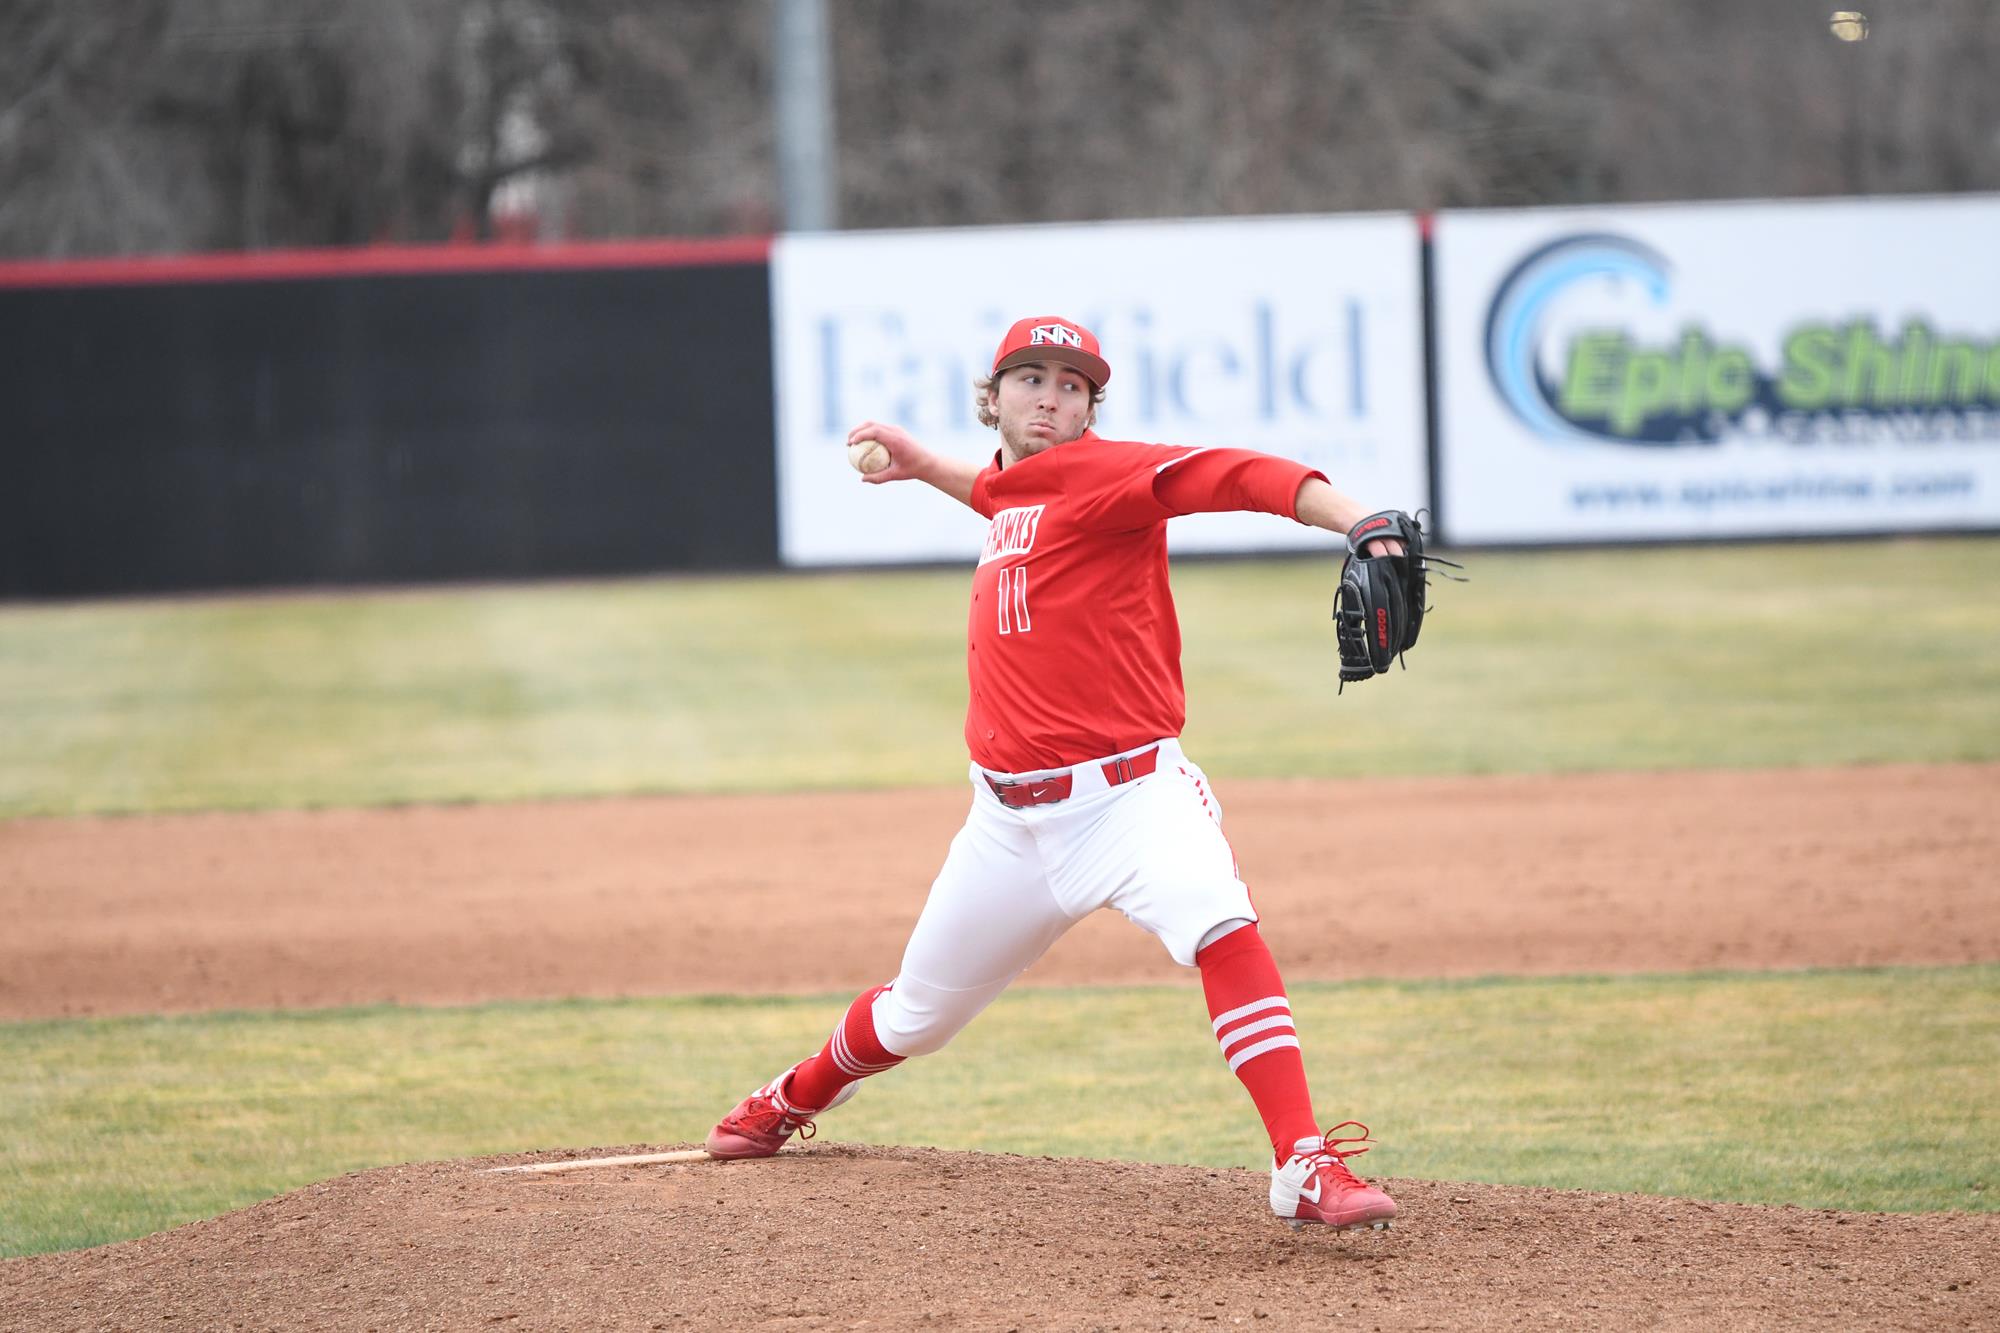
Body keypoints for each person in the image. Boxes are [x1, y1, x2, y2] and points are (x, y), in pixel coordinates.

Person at [707, 315, 1403, 1231]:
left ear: (1089, 410)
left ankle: (1303, 1161)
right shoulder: (1013, 489)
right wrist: (924, 464)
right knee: (916, 1016)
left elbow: (1238, 474)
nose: (1051, 396)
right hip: (1006, 827)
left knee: (1220, 923)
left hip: (1132, 798)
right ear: (993, 398)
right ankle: (794, 1093)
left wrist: (1359, 521)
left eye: (1072, 385)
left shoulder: (1110, 475)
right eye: (1031, 378)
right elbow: (1004, 498)